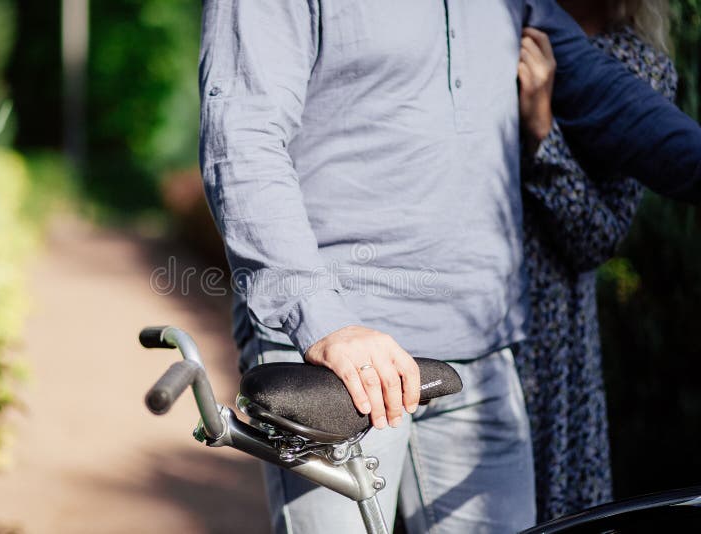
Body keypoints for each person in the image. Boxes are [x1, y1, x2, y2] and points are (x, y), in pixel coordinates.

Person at [198, 1, 701, 532]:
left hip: (480, 363)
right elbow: (241, 141)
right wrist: (322, 319)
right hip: (339, 360)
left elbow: (622, 107)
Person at [516, 0, 678, 522]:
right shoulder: (490, 29)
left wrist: (541, 133)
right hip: (444, 301)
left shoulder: (639, 66)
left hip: (548, 339)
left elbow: (597, 238)